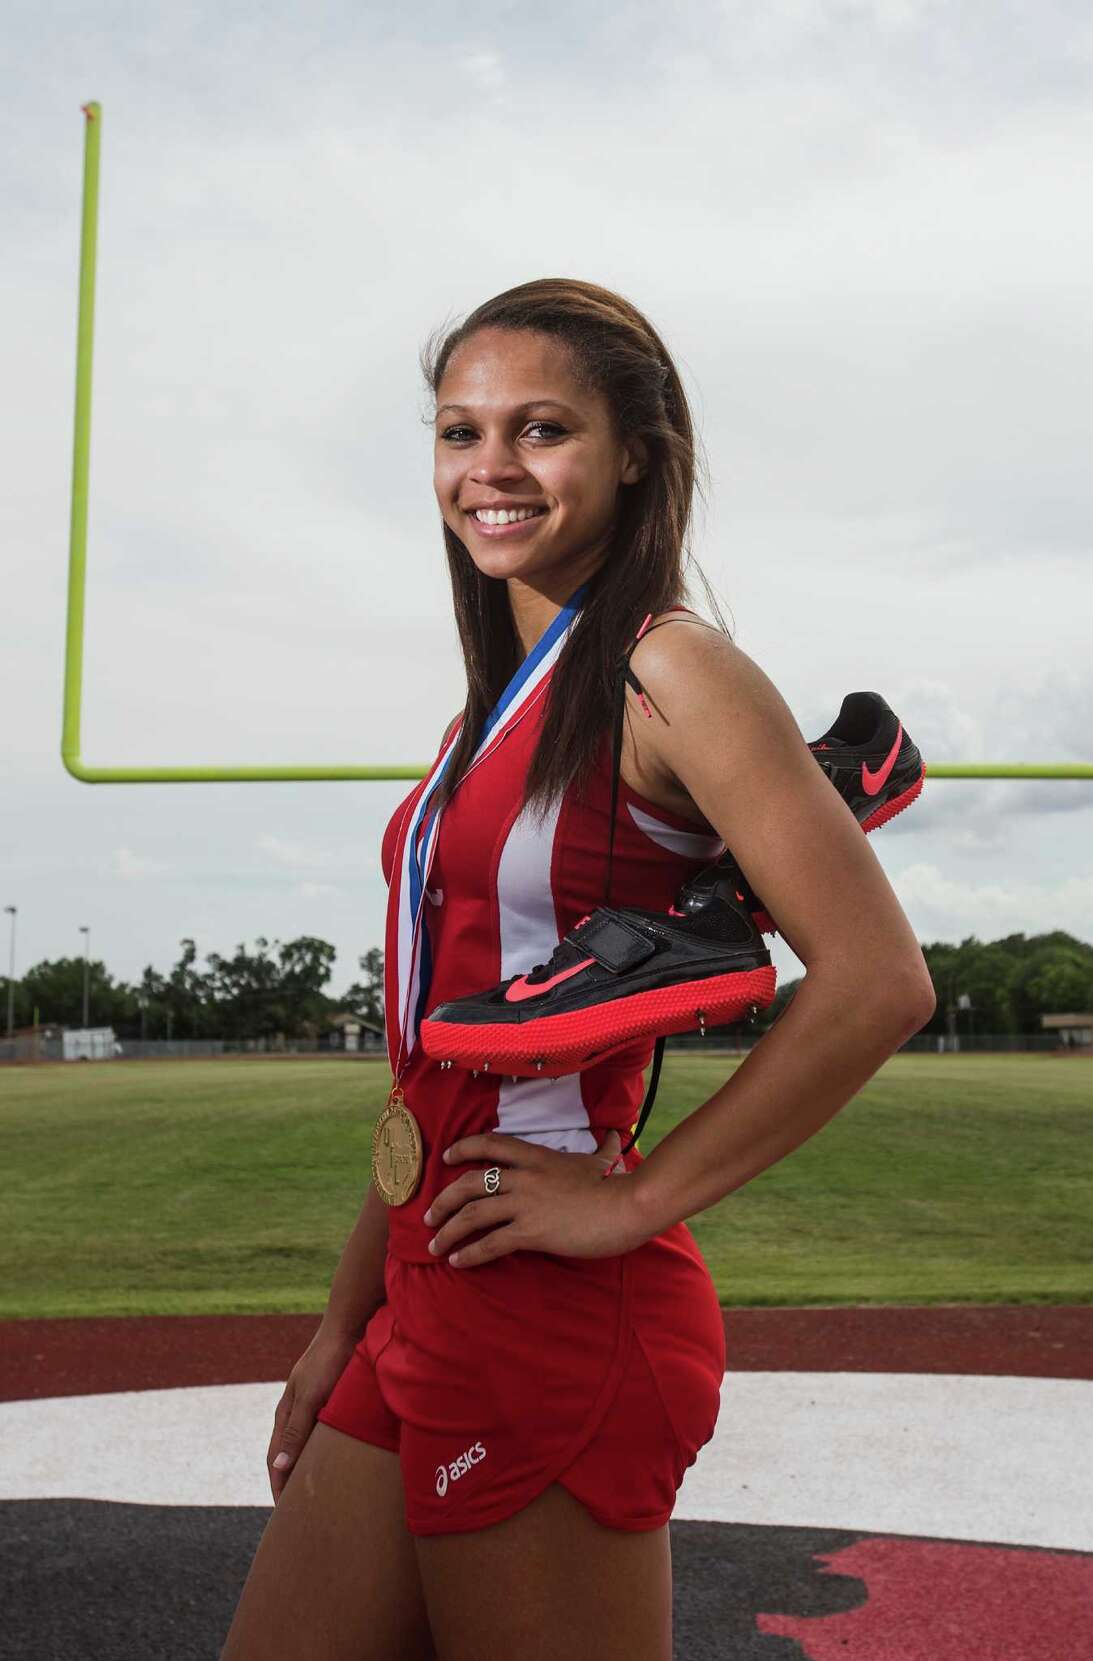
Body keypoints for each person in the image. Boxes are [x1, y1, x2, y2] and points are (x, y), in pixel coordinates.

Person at [220, 278, 935, 1661]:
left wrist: (638, 1199)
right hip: (431, 1273)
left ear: (633, 453)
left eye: (539, 429)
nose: (488, 466)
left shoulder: (673, 667)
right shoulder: (495, 707)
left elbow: (876, 977)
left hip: (552, 1309)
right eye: (458, 431)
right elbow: (438, 1069)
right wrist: (339, 1321)